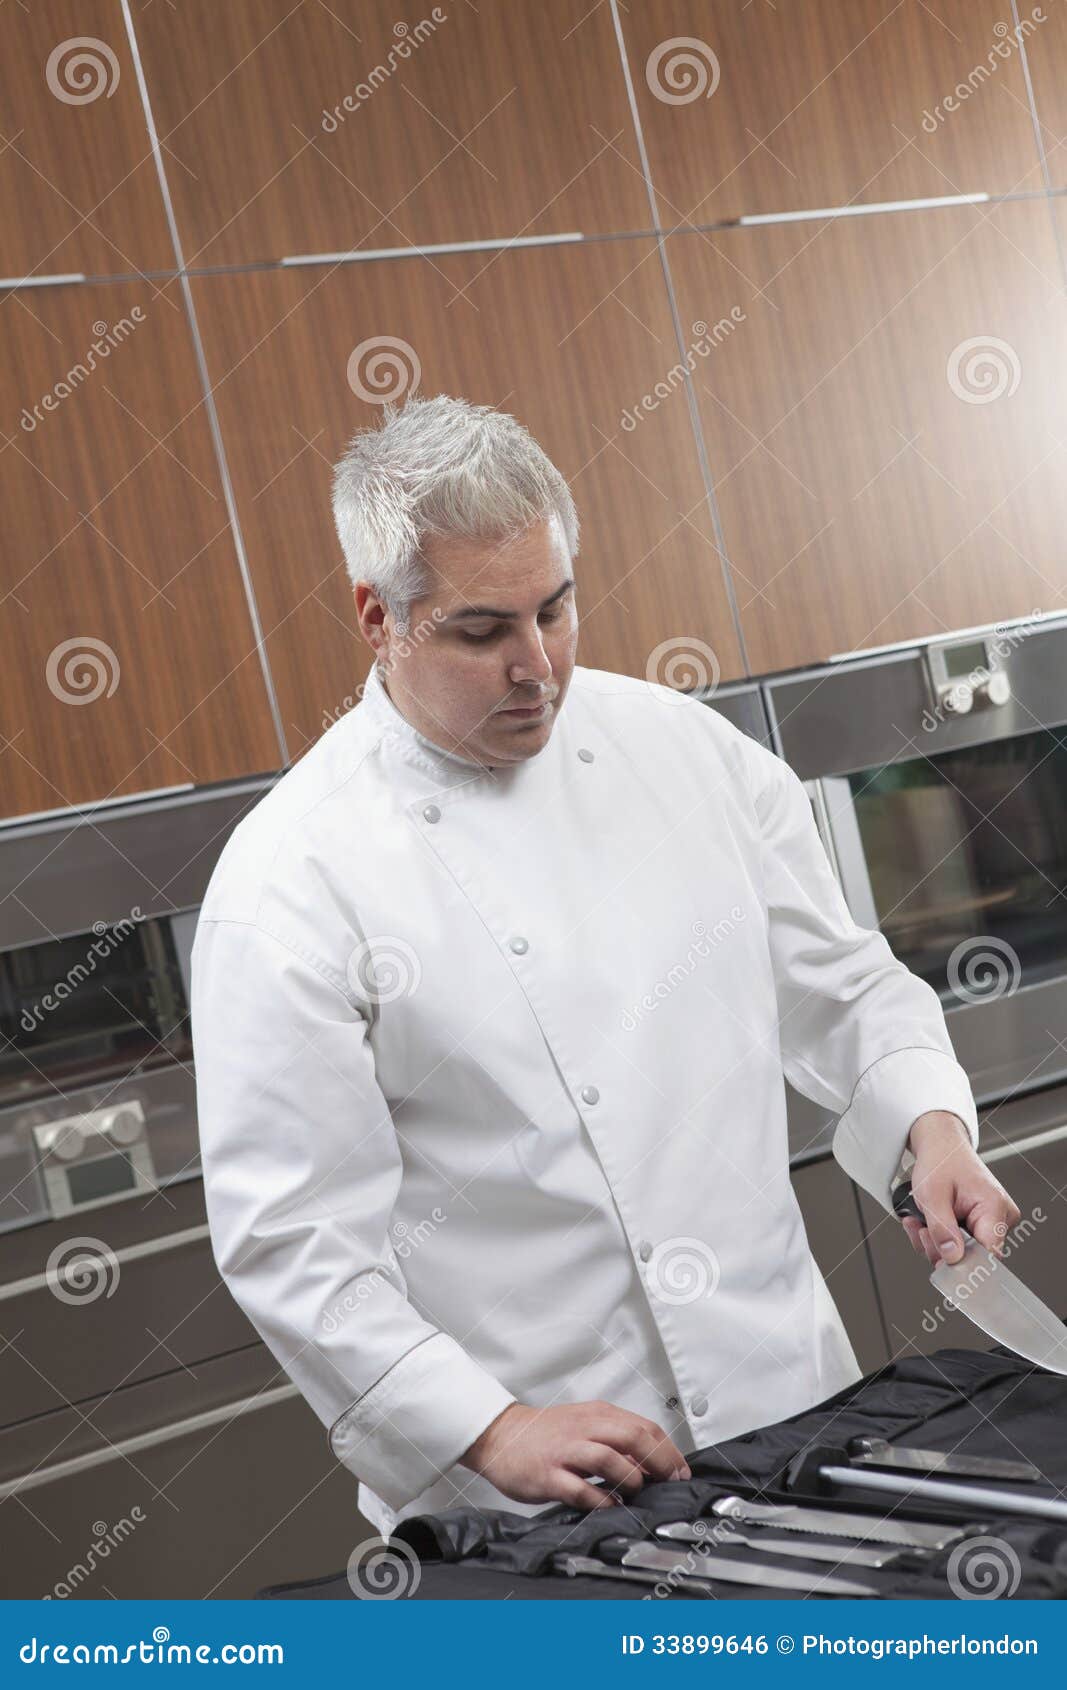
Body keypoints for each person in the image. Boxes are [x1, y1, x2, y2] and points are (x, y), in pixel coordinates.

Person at [190, 393, 1020, 1540]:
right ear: (378, 616)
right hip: (536, 1499)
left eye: (556, 607)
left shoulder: (687, 757)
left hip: (797, 1414)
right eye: (482, 631)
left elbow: (846, 991)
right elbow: (292, 1246)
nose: (537, 665)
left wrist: (928, 1125)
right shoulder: (292, 880)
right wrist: (486, 1427)